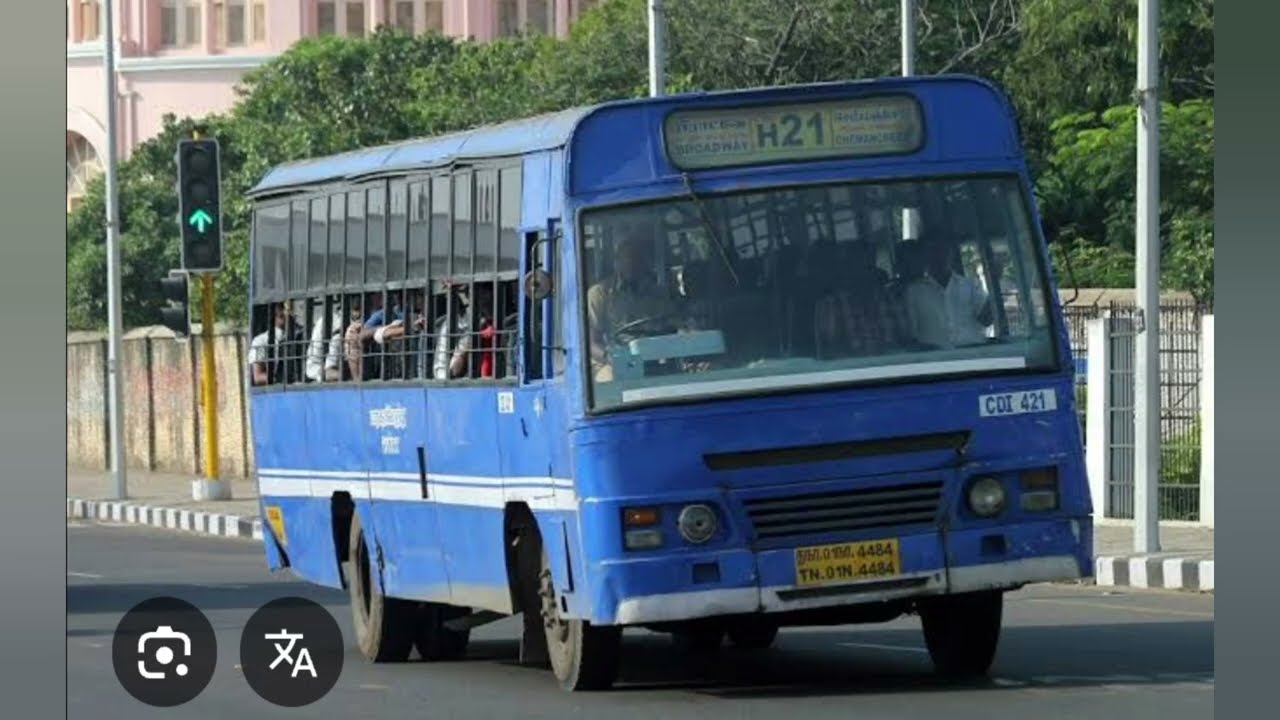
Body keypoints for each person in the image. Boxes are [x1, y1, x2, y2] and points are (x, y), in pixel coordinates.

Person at [586, 231, 683, 382]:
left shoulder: (659, 293)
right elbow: (590, 343)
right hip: (612, 363)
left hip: (656, 358)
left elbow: (675, 325)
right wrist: (610, 358)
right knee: (611, 380)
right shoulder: (599, 294)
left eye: (638, 259)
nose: (632, 264)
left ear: (646, 263)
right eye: (627, 258)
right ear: (616, 262)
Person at [902, 234, 993, 349]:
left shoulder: (971, 285)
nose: (938, 256)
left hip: (974, 352)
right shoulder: (914, 291)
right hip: (936, 359)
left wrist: (993, 282)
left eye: (943, 250)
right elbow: (912, 336)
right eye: (932, 251)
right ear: (923, 256)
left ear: (952, 253)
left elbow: (986, 320)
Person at [432, 282, 504, 380]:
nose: (484, 298)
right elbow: (443, 369)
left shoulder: (501, 318)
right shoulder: (456, 322)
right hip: (457, 376)